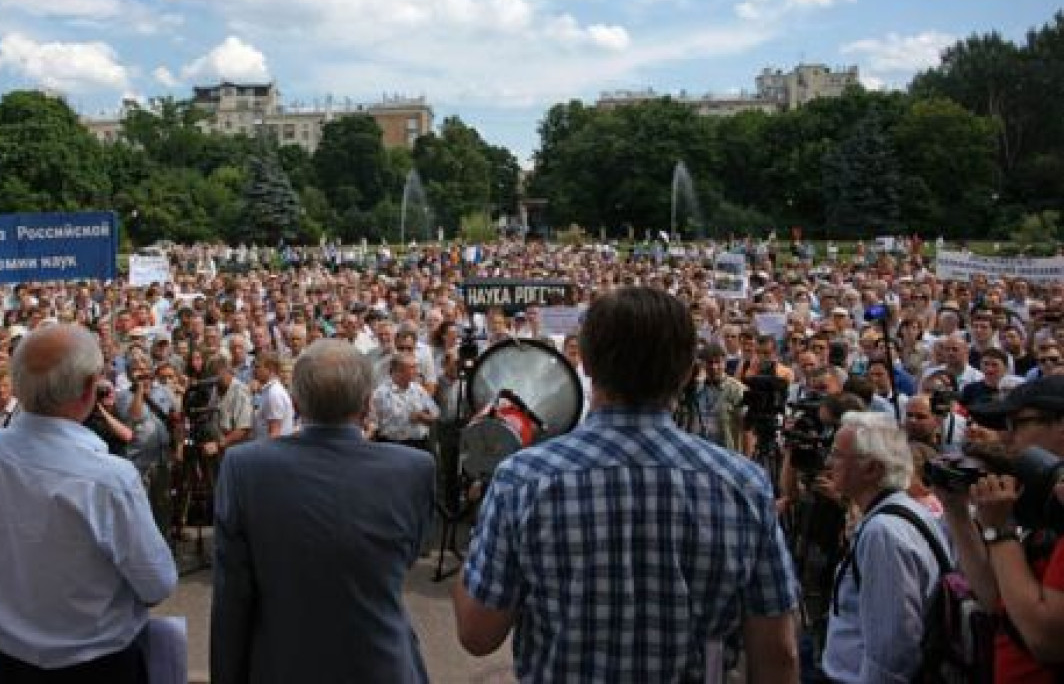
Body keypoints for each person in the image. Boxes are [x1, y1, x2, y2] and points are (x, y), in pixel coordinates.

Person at [453, 287, 799, 682]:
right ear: (688, 372)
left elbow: (476, 633)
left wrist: (485, 521)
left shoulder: (522, 480)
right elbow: (778, 656)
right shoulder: (744, 485)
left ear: (587, 365)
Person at [0, 323, 177, 683]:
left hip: (4, 664)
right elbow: (156, 583)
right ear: (89, 389)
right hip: (98, 667)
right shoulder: (110, 479)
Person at [211, 339, 435, 683]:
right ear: (366, 405)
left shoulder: (244, 467)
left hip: (282, 664)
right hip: (380, 663)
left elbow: (232, 597)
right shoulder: (413, 469)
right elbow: (406, 554)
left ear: (296, 404)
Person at [936, 376, 1064, 680]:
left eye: (1018, 424)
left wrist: (1001, 530)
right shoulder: (1045, 504)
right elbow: (996, 599)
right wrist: (956, 510)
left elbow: (1046, 641)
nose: (1006, 437)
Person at [822, 412, 951, 682]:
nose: (827, 462)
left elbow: (891, 651)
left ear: (872, 469)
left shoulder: (883, 533)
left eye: (836, 454)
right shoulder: (903, 512)